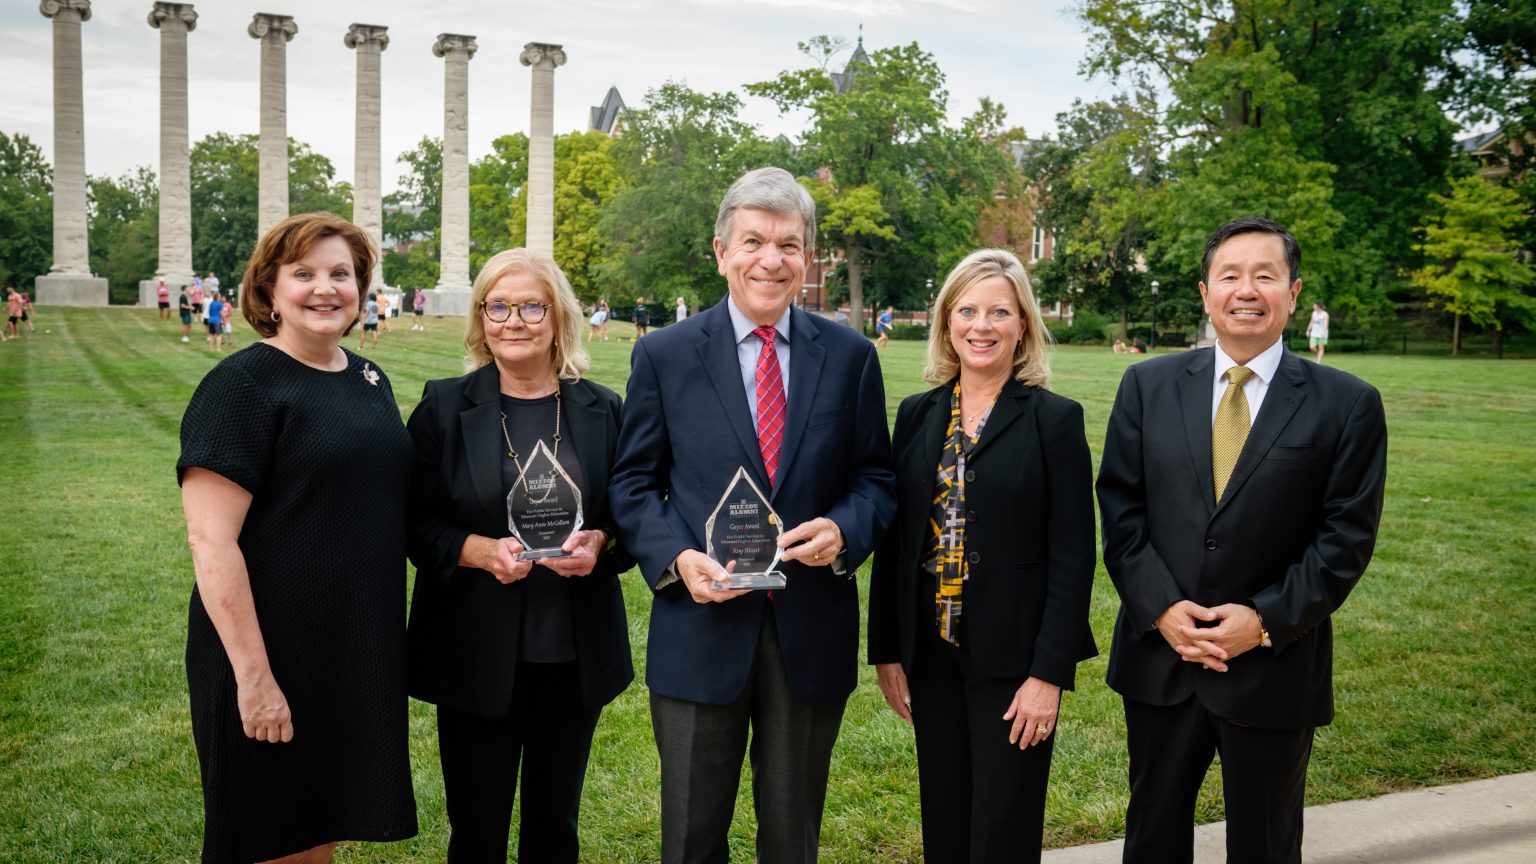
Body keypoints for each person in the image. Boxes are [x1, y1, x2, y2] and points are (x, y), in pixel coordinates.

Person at [609, 166, 896, 864]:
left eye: (789, 245)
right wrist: (677, 559)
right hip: (700, 628)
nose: (771, 259)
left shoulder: (852, 357)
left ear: (807, 257)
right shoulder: (665, 354)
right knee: (690, 836)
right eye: (754, 241)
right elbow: (634, 482)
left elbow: (875, 479)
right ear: (720, 251)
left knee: (791, 839)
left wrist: (843, 530)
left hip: (810, 630)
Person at [1096, 216, 1388, 864]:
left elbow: (1345, 540)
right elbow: (1120, 508)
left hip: (1272, 671)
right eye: (1230, 275)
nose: (1246, 289)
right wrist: (1162, 611)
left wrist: (1260, 622)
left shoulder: (1348, 405)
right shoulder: (1146, 386)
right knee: (1151, 838)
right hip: (1161, 663)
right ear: (1206, 293)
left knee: (1265, 844)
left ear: (1293, 291)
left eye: (1265, 275)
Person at [177, 211, 418, 863]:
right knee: (267, 834)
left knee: (319, 828)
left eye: (342, 273)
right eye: (303, 273)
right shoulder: (241, 386)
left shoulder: (369, 381)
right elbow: (211, 543)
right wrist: (254, 679)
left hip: (349, 651)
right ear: (269, 289)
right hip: (270, 651)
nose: (325, 288)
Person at [868, 249, 1096, 864]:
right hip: (931, 656)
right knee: (944, 818)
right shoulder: (918, 414)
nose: (981, 325)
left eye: (1000, 311)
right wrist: (888, 651)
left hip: (1014, 663)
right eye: (966, 310)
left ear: (1023, 324)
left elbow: (1074, 556)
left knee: (1003, 828)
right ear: (947, 322)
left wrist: (1048, 677)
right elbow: (895, 542)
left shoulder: (1054, 420)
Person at [404, 248, 633, 862]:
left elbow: (634, 512)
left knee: (554, 829)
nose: (515, 320)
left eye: (532, 305)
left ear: (559, 318)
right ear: (481, 319)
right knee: (476, 832)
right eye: (498, 306)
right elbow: (410, 520)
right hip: (473, 651)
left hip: (572, 652)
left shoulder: (604, 410)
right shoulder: (445, 407)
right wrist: (477, 551)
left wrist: (602, 542)